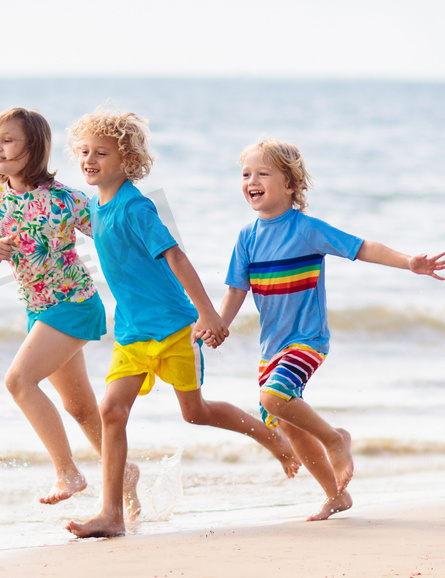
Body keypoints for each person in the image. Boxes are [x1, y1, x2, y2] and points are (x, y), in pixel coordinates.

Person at [64, 111, 299, 539]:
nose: (90, 159)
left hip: (173, 327)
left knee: (197, 413)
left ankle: (275, 441)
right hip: (132, 331)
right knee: (111, 411)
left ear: (127, 160)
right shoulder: (96, 208)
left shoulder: (136, 206)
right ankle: (111, 513)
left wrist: (208, 313)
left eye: (102, 152)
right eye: (83, 152)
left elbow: (176, 257)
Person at [219, 139, 445, 521]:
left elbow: (362, 248)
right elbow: (235, 291)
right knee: (290, 427)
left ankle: (334, 439)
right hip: (270, 347)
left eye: (263, 173)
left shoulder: (307, 229)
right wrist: (217, 326)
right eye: (246, 174)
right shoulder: (246, 238)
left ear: (291, 185)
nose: (252, 181)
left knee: (273, 397)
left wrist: (408, 261)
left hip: (307, 340)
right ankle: (335, 495)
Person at [0, 107, 139, 511]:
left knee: (18, 381)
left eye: (8, 139)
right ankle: (126, 477)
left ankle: (68, 472)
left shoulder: (64, 200)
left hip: (74, 304)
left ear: (34, 147)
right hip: (38, 310)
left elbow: (113, 233)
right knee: (79, 408)